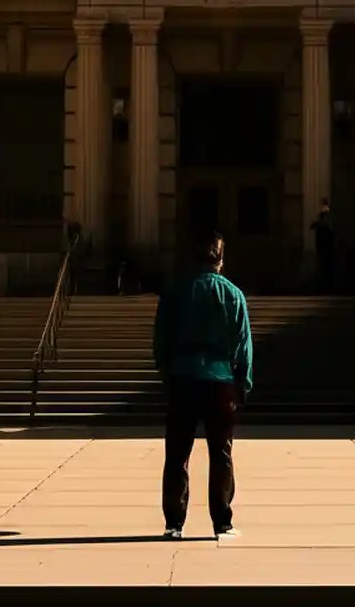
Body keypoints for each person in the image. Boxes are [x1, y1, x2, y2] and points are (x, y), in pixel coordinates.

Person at [153, 231, 253, 540]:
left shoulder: (174, 293)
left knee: (177, 453)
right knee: (221, 453)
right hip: (220, 381)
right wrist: (243, 382)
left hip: (184, 379)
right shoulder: (233, 295)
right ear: (221, 261)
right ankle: (222, 521)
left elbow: (161, 340)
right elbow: (243, 344)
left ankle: (174, 523)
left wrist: (167, 373)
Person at [310, 200, 337, 294]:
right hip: (323, 247)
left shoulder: (328, 217)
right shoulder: (321, 217)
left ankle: (327, 287)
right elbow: (313, 226)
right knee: (323, 268)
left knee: (327, 268)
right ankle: (323, 287)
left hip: (327, 247)